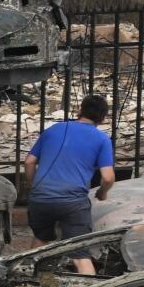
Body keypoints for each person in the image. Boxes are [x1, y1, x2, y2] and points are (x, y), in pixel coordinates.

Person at [22, 93, 118, 275]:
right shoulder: (101, 139)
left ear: (80, 110)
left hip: (40, 199)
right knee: (80, 254)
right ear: (103, 118)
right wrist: (102, 193)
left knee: (40, 241)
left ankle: (25, 277)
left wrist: (34, 186)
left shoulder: (54, 129)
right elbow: (108, 177)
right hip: (73, 203)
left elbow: (29, 162)